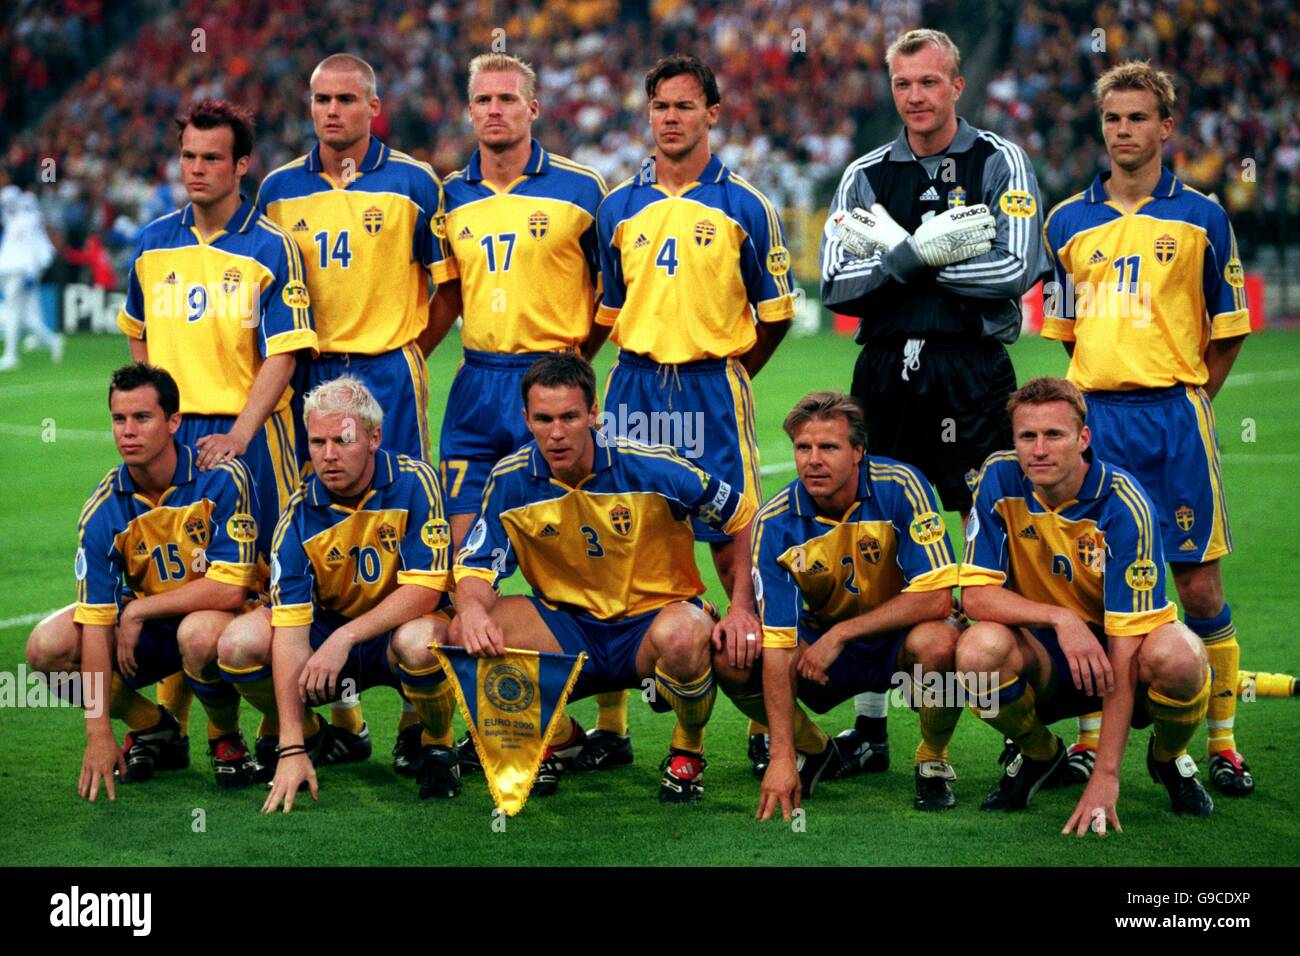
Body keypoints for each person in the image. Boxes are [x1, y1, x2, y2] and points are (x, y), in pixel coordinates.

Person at [819, 28, 1050, 770]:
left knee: (993, 532)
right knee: (875, 537)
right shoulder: (863, 173)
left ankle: (1021, 725)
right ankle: (872, 726)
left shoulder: (999, 160)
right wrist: (929, 250)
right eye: (903, 84)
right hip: (884, 371)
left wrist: (899, 255)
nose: (915, 96)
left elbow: (1016, 264)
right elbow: (833, 285)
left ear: (957, 85)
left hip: (971, 368)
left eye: (929, 82)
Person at [1041, 61, 1254, 797]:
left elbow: (1227, 331)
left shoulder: (1202, 217)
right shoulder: (1065, 222)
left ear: (1165, 127)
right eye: (1111, 119)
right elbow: (1067, 332)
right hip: (1095, 419)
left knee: (1197, 585)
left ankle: (1222, 742)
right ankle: (1087, 739)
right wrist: (1103, 390)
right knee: (1093, 587)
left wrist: (1187, 396)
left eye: (1136, 118)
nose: (1123, 131)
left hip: (1176, 419)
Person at [595, 54, 792, 772]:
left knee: (735, 537)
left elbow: (772, 316)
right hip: (635, 387)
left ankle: (760, 710)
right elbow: (610, 310)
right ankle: (623, 719)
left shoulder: (747, 205)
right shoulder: (618, 208)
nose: (670, 118)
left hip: (712, 387)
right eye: (659, 107)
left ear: (714, 113)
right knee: (629, 540)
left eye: (684, 106)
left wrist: (728, 369)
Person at [257, 53, 455, 759]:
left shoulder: (413, 182)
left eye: (346, 99)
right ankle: (329, 713)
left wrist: (408, 354)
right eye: (320, 99)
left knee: (402, 514)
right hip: (309, 369)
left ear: (375, 106)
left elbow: (446, 285)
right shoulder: (278, 189)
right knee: (310, 521)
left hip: (389, 369)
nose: (331, 111)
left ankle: (415, 717)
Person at [450, 354, 758, 803]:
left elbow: (741, 516)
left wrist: (743, 607)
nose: (557, 433)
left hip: (650, 627)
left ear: (594, 413)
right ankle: (560, 738)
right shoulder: (510, 479)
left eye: (570, 417)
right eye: (544, 419)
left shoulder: (653, 467)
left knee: (687, 634)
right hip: (570, 630)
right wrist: (474, 609)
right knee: (463, 630)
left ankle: (687, 750)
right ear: (526, 419)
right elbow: (478, 565)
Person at [115, 99, 317, 746]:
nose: (196, 170)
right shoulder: (151, 245)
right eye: (188, 156)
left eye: (211, 158)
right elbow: (138, 337)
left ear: (241, 164)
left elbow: (284, 353)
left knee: (260, 578)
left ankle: (294, 722)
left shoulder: (271, 246)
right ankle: (179, 723)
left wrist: (240, 434)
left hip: (251, 434)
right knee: (182, 572)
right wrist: (156, 418)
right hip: (178, 436)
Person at [958, 377, 1214, 832]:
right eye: (1027, 437)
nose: (1039, 449)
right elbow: (976, 596)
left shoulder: (1124, 503)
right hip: (1050, 651)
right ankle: (1041, 755)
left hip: (1124, 654)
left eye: (1054, 435)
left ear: (1083, 438)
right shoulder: (998, 476)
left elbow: (1126, 644)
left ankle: (1168, 757)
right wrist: (1061, 619)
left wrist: (1105, 775)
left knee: (1180, 657)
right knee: (977, 651)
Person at [216, 376, 458, 811]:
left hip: (395, 630)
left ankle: (438, 745)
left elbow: (425, 590)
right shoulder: (297, 515)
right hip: (328, 635)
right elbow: (289, 631)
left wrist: (344, 638)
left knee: (421, 644)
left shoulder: (414, 481)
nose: (328, 455)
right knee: (238, 644)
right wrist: (291, 748)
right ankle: (313, 736)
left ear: (373, 436)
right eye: (317, 441)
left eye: (342, 440)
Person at [722, 392, 962, 821]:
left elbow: (937, 596)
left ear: (857, 451)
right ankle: (815, 750)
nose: (813, 460)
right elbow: (778, 643)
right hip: (821, 657)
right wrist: (781, 755)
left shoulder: (903, 486)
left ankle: (933, 758)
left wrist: (841, 634)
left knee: (941, 641)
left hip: (896, 640)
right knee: (732, 657)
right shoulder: (774, 522)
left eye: (828, 447)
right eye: (803, 448)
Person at [26, 364, 262, 798]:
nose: (127, 432)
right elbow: (96, 624)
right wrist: (98, 732)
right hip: (148, 639)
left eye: (142, 418)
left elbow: (230, 587)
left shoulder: (223, 476)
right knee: (46, 649)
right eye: (119, 419)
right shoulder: (101, 511)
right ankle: (153, 727)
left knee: (197, 633)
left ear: (174, 422)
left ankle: (225, 735)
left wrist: (139, 610)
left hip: (218, 622)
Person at [0, 186, 61, 371]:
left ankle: (11, 355)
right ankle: (52, 341)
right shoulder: (12, 220)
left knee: (13, 313)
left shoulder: (27, 220)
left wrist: (30, 272)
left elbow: (31, 248)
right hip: (9, 270)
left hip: (19, 271)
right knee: (22, 315)